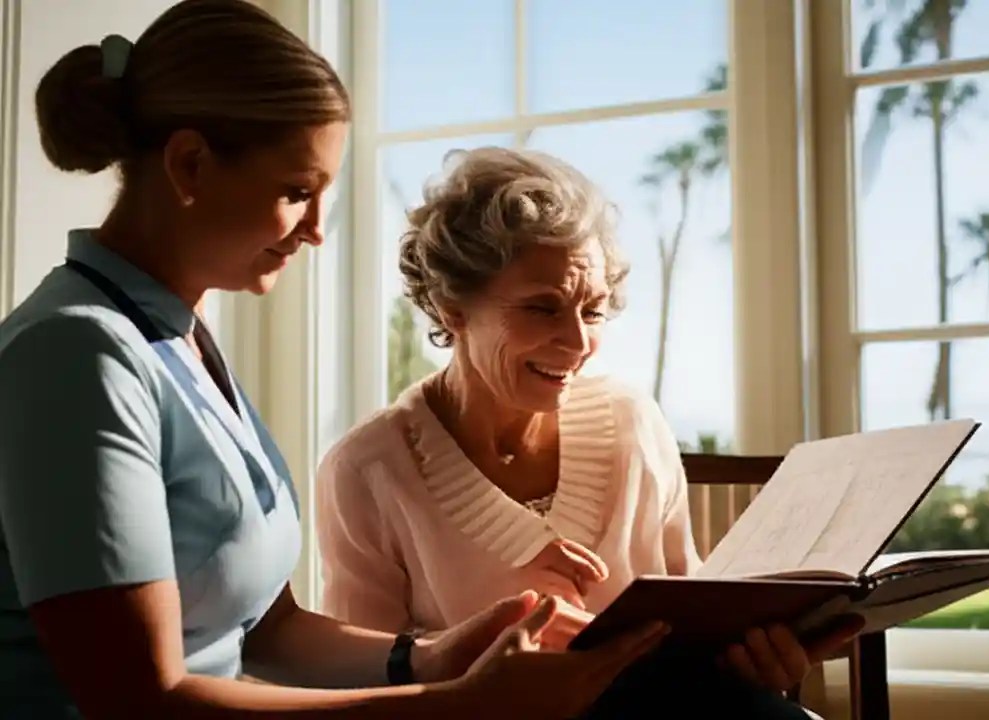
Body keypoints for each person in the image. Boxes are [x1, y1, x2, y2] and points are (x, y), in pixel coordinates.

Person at [0, 2, 671, 718]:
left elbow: (268, 627)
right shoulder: (76, 355)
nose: (317, 231)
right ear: (190, 164)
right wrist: (461, 705)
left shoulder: (175, 338)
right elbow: (138, 701)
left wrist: (434, 655)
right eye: (297, 192)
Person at [315, 146, 863, 718]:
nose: (578, 344)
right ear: (453, 309)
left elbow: (696, 607)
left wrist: (757, 662)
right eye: (542, 309)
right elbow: (367, 687)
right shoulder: (367, 469)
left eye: (593, 311)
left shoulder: (633, 422)